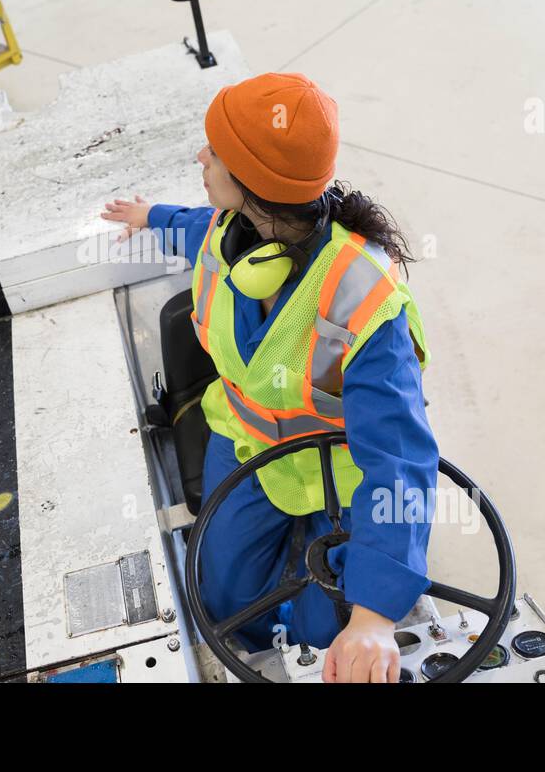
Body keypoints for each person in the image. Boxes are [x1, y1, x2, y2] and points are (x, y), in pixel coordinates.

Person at [102, 72, 439, 683]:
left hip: (340, 478)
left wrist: (374, 617)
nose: (200, 158)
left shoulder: (361, 301)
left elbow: (399, 462)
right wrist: (149, 213)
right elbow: (191, 224)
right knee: (224, 596)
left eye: (215, 152)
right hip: (250, 450)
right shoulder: (231, 233)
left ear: (252, 182)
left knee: (324, 631)